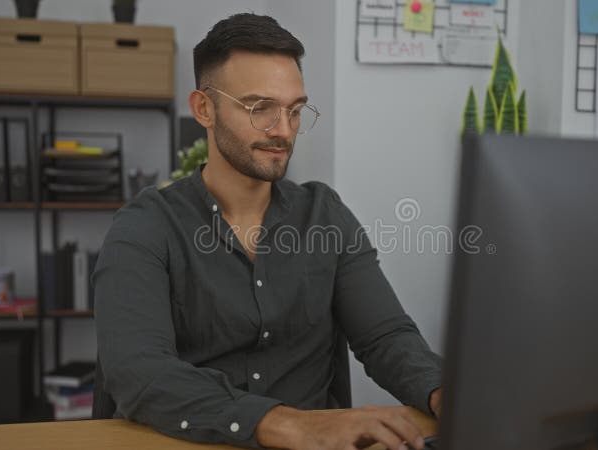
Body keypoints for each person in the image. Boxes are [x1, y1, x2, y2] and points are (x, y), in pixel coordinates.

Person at [94, 12, 442, 450]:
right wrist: (291, 425)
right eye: (260, 109)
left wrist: (444, 392)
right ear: (204, 108)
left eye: (295, 110)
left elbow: (386, 338)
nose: (283, 130)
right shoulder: (145, 227)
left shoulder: (325, 215)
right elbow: (137, 370)